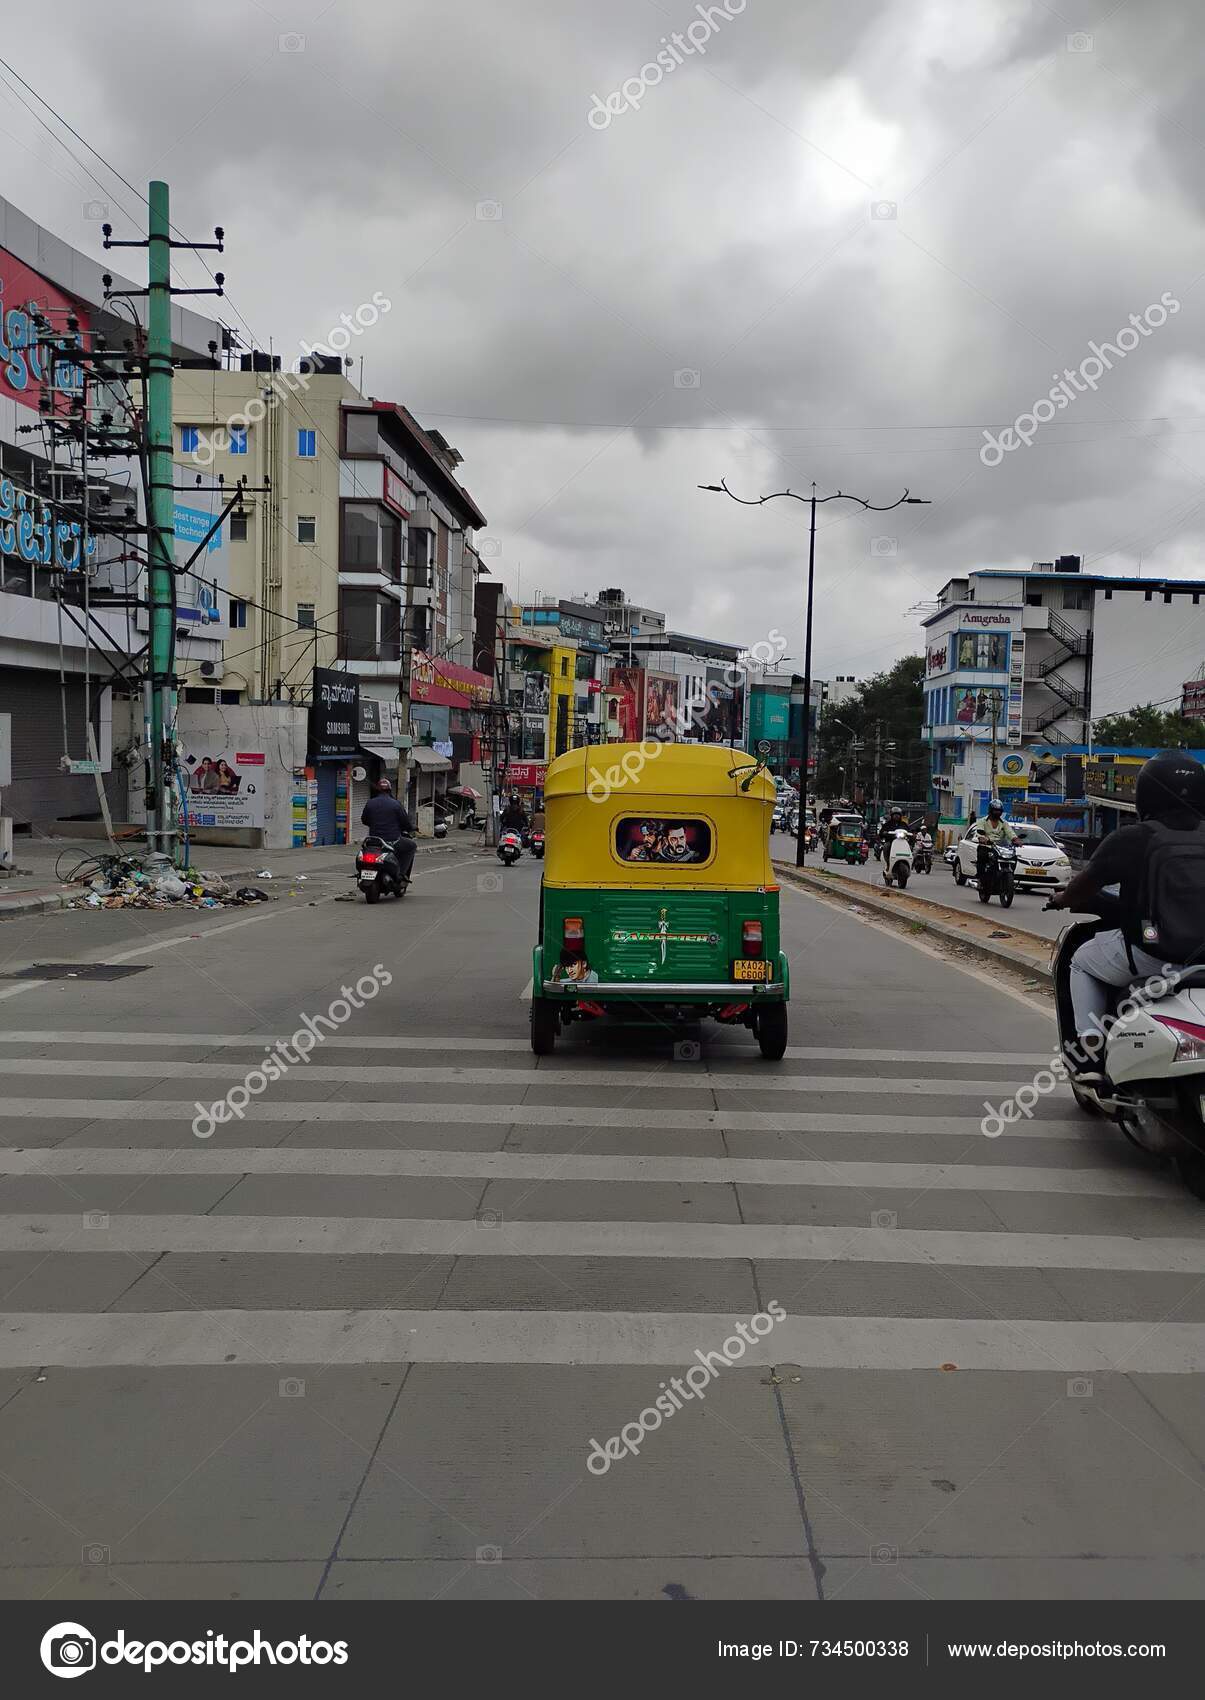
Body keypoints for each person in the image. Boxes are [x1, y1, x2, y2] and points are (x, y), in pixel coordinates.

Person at [1048, 751, 1205, 1073]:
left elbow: (1083, 886)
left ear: (1146, 793)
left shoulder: (1134, 837)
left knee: (1080, 959)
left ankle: (1089, 1045)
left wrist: (1063, 898)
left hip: (1156, 954)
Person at [361, 777, 416, 882]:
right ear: (390, 790)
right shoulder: (395, 804)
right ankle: (401, 874)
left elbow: (364, 820)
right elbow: (405, 823)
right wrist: (410, 828)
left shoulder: (370, 803)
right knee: (411, 846)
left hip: (373, 841)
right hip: (392, 840)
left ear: (377, 790)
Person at [974, 798, 1018, 884]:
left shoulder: (1004, 823)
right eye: (995, 810)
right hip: (987, 846)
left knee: (1014, 857)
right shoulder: (982, 821)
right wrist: (982, 838)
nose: (997, 813)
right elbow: (980, 832)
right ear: (990, 811)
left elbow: (1010, 832)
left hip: (1000, 848)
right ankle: (980, 878)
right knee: (982, 856)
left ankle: (1010, 875)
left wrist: (1015, 839)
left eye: (999, 811)